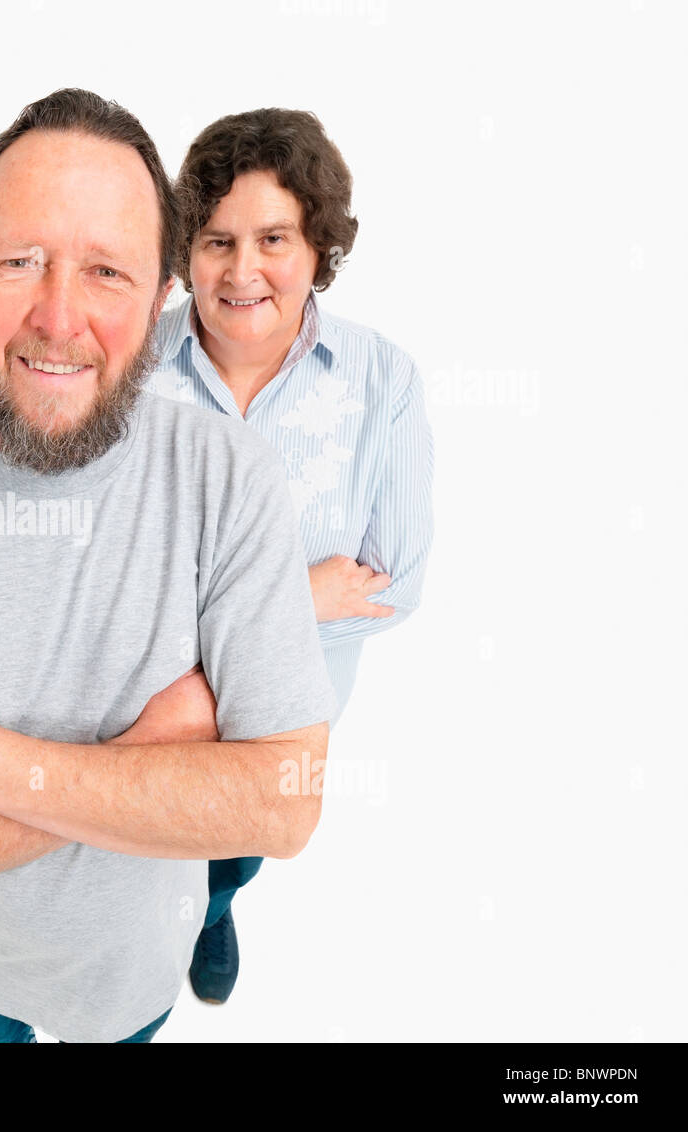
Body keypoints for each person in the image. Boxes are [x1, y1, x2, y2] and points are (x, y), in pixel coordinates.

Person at [0, 89, 337, 1043]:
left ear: (160, 295)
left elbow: (282, 805)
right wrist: (151, 758)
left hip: (138, 972)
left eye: (106, 272)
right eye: (20, 262)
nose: (58, 316)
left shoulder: (229, 480)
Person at [148, 108, 435, 1005]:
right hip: (144, 702)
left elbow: (396, 583)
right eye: (216, 239)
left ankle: (213, 908)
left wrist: (208, 605)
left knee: (234, 852)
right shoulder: (131, 370)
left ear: (318, 248)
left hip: (288, 725)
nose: (242, 270)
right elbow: (96, 572)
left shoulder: (381, 379)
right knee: (129, 846)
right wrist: (295, 596)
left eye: (273, 238)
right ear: (182, 249)